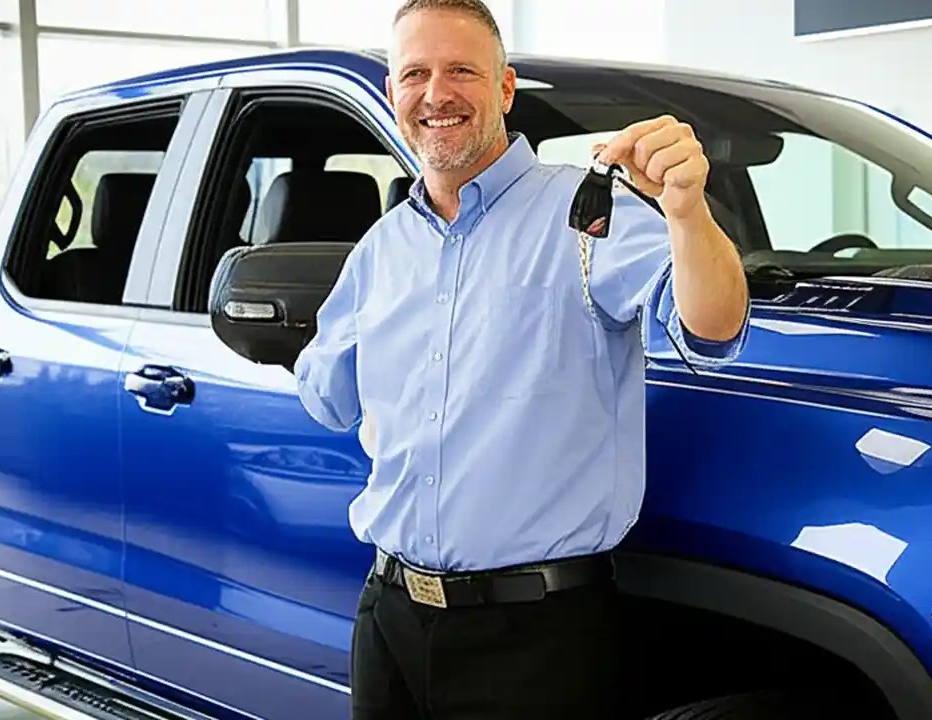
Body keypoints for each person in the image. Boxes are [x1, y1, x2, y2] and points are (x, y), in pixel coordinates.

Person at [294, 0, 750, 717]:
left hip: (536, 638)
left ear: (505, 89)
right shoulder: (383, 247)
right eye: (415, 73)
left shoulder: (586, 212)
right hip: (388, 619)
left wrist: (687, 213)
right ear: (394, 95)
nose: (436, 93)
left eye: (461, 71)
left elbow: (712, 331)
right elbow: (326, 398)